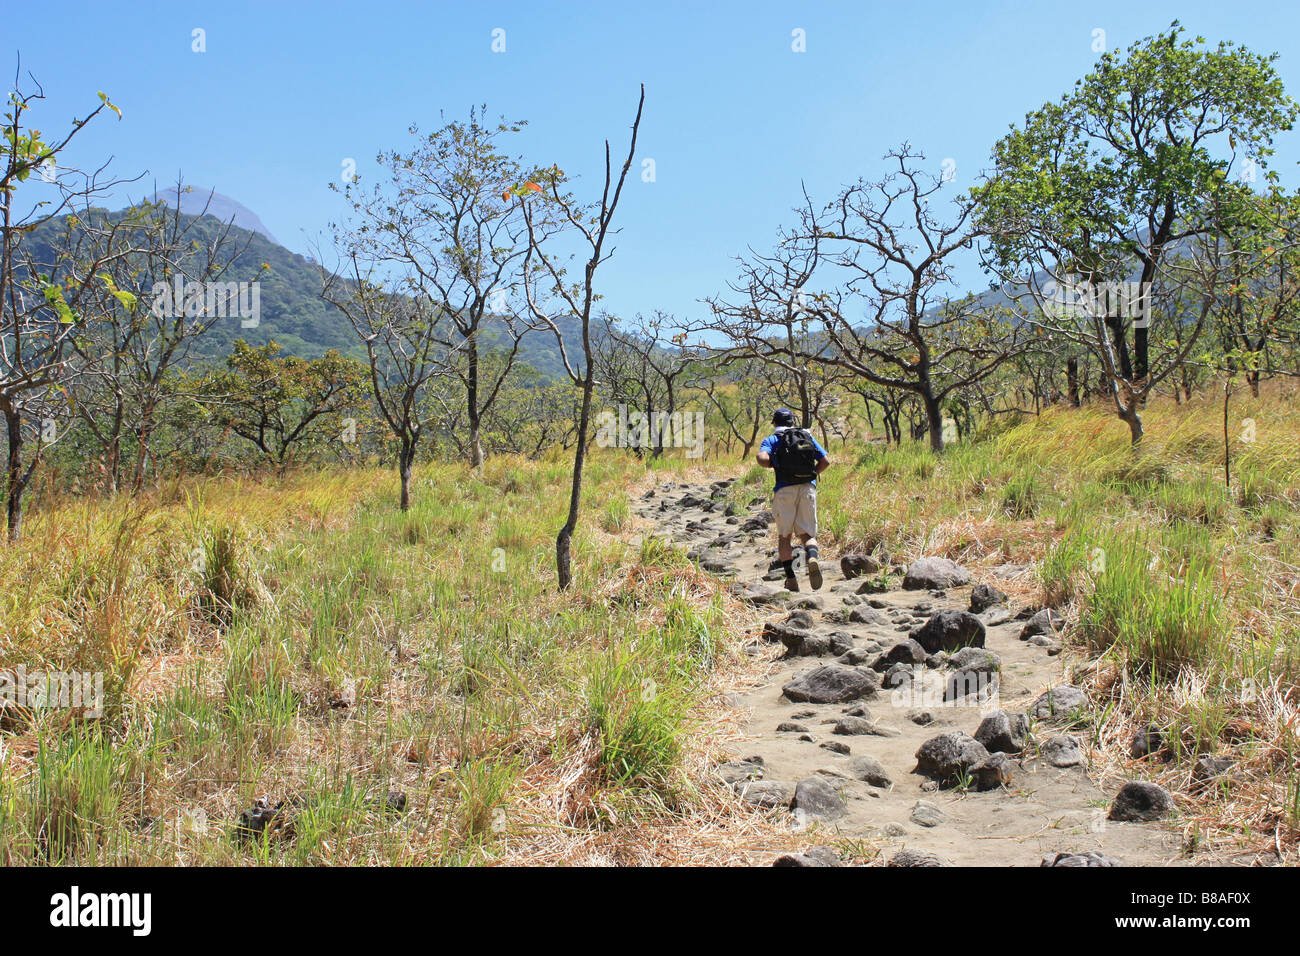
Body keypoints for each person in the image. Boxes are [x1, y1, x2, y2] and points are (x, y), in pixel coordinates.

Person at [756, 408, 830, 591]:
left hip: (784, 489)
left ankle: (791, 578)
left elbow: (761, 458)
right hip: (808, 488)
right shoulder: (806, 436)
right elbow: (825, 461)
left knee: (784, 537)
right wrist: (811, 474)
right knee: (807, 535)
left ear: (775, 423)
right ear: (792, 422)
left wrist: (776, 464)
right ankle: (812, 557)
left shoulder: (773, 439)